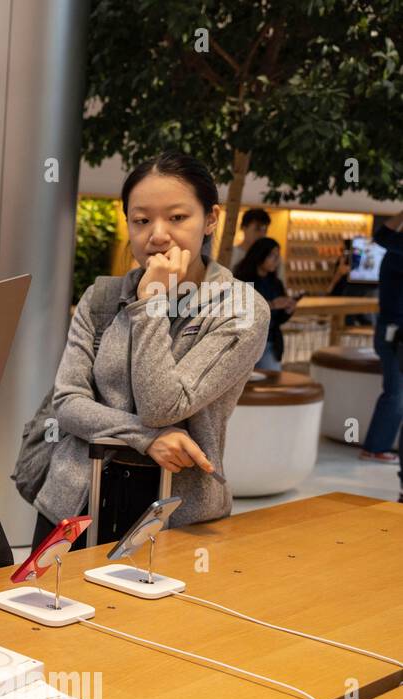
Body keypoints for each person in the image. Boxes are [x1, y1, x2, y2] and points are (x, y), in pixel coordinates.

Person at [31, 150, 270, 549]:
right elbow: (68, 402)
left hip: (177, 511)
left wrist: (150, 305)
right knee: (49, 609)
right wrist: (145, 438)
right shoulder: (102, 297)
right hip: (73, 501)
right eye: (141, 220)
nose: (157, 234)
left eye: (177, 218)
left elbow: (162, 405)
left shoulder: (241, 309)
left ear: (211, 219)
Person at [361, 211, 403, 470]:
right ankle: (376, 447)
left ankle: (378, 446)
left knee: (396, 392)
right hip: (395, 333)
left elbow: (382, 236)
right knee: (396, 393)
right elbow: (381, 235)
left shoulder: (396, 249)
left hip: (393, 330)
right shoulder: (398, 250)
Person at [233, 237, 298, 371]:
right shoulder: (242, 280)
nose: (276, 260)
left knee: (272, 384)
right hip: (246, 342)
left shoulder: (276, 283)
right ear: (260, 255)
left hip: (270, 342)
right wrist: (272, 304)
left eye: (278, 256)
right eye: (272, 255)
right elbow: (240, 313)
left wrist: (287, 310)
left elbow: (278, 320)